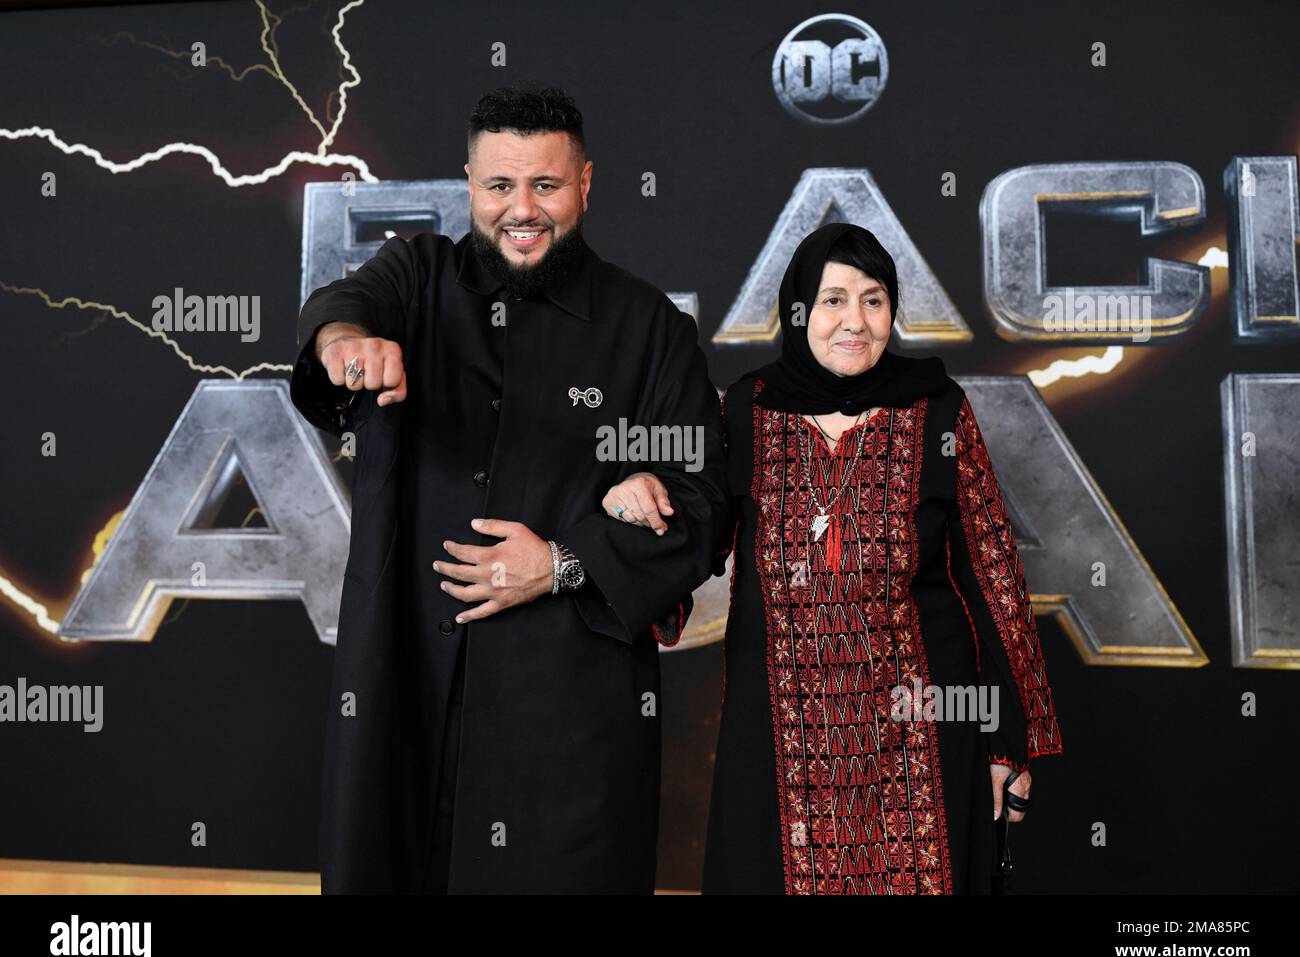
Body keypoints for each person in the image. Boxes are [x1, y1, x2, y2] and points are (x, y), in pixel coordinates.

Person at [289, 83, 729, 893]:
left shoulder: (650, 330)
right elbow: (342, 306)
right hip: (404, 699)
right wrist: (346, 342)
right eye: (499, 186)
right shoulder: (416, 278)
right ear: (469, 184)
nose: (521, 209)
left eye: (546, 186)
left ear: (587, 184)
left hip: (568, 730)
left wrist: (561, 562)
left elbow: (703, 507)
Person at [603, 223, 1064, 894]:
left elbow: (991, 580)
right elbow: (694, 532)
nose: (856, 321)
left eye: (874, 300)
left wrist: (1004, 739)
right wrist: (631, 496)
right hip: (780, 739)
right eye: (833, 300)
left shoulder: (937, 411)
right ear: (798, 310)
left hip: (920, 740)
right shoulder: (747, 412)